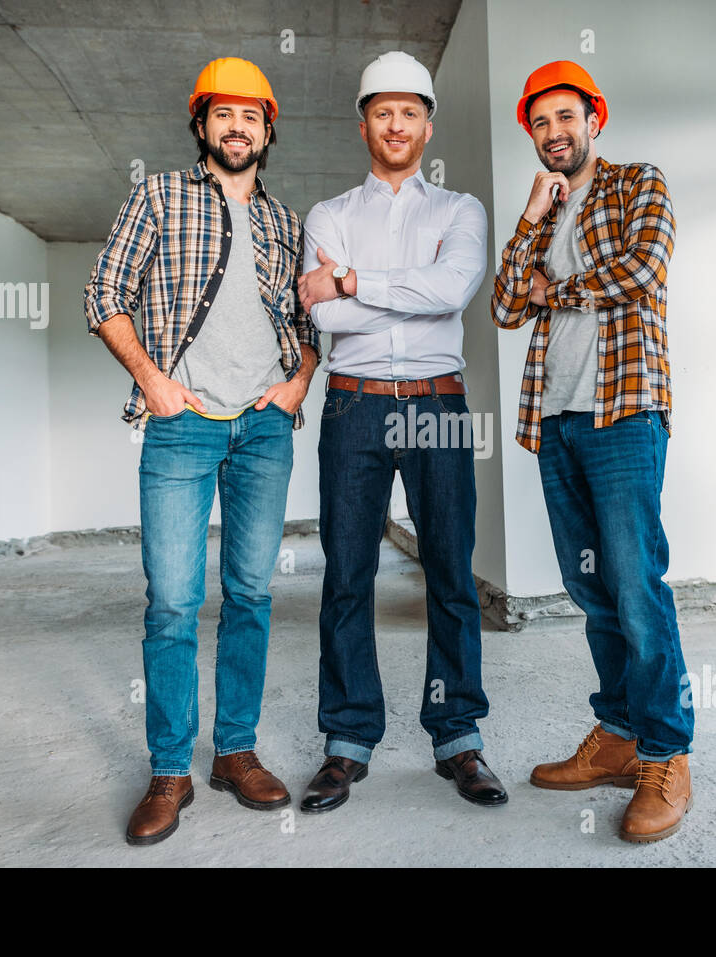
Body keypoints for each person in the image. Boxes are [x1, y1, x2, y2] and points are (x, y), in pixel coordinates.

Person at [84, 57, 319, 846]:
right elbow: (103, 293)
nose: (237, 127)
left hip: (262, 427)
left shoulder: (286, 223)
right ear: (201, 125)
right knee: (174, 602)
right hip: (181, 425)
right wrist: (152, 378)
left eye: (251, 115)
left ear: (268, 129)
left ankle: (236, 751)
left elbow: (308, 324)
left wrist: (299, 383)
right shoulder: (158, 196)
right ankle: (170, 768)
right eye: (223, 114)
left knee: (251, 594)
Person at [295, 51, 505, 814]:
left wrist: (352, 280)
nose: (395, 124)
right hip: (352, 406)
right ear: (364, 124)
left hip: (438, 404)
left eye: (409, 112)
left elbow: (452, 290)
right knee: (347, 572)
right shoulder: (329, 216)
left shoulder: (460, 211)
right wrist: (400, 299)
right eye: (382, 111)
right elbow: (324, 317)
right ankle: (347, 742)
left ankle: (458, 738)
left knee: (450, 570)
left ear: (426, 123)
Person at [489, 60, 693, 843]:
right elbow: (509, 304)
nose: (553, 134)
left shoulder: (638, 181)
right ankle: (617, 736)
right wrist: (532, 218)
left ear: (593, 120)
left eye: (564, 117)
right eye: (540, 124)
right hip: (558, 421)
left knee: (638, 585)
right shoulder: (548, 208)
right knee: (591, 590)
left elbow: (643, 268)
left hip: (624, 412)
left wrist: (557, 289)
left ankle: (668, 752)